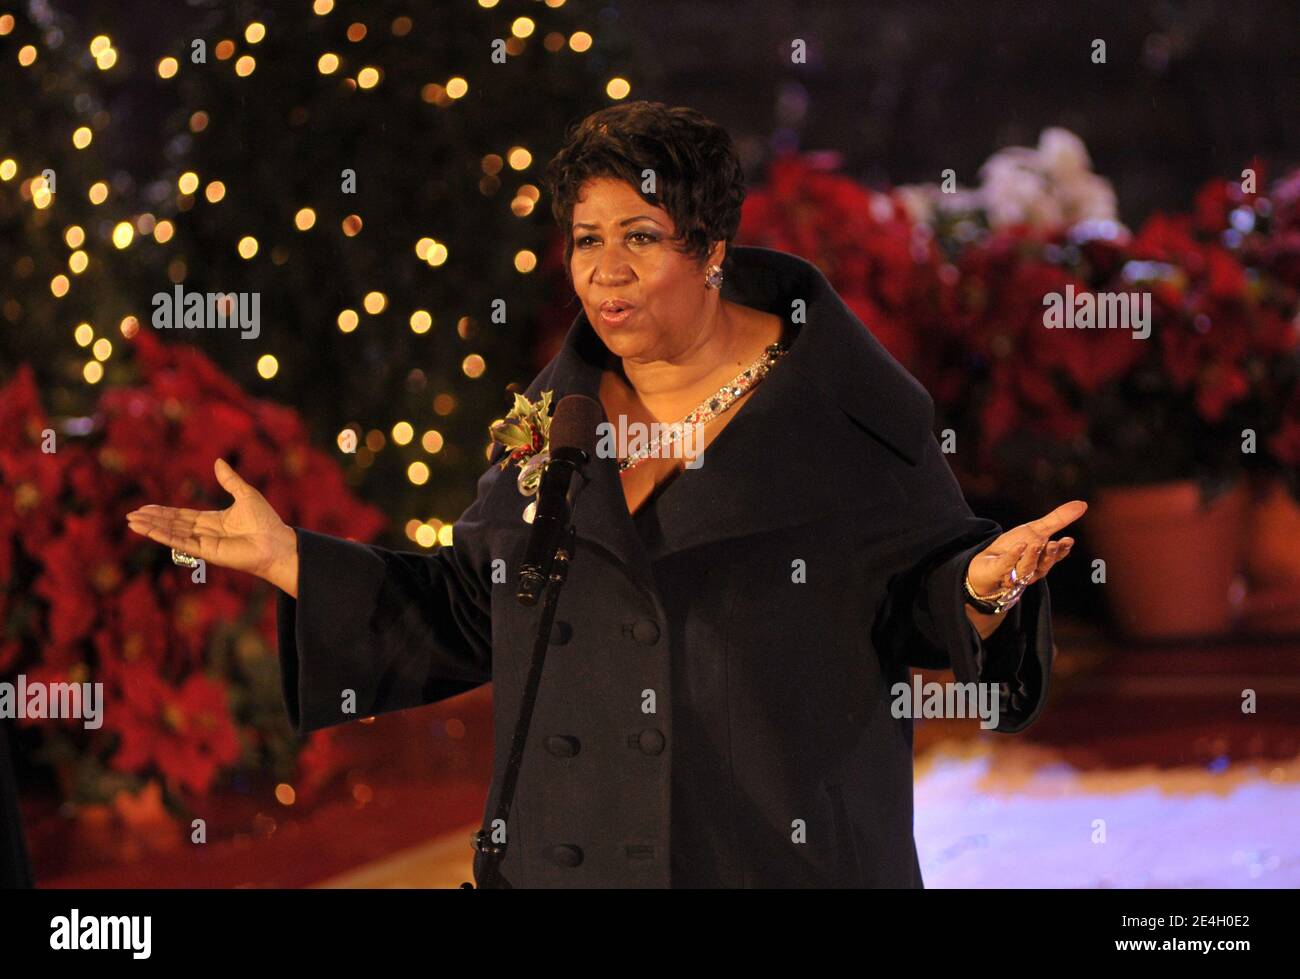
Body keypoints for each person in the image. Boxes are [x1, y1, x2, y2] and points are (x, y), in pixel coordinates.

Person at [126, 100, 1085, 888]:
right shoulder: (558, 419)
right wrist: (293, 557)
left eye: (641, 236)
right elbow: (476, 610)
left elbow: (923, 598)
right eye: (587, 237)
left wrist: (984, 583)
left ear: (711, 249)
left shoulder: (848, 413)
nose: (604, 269)